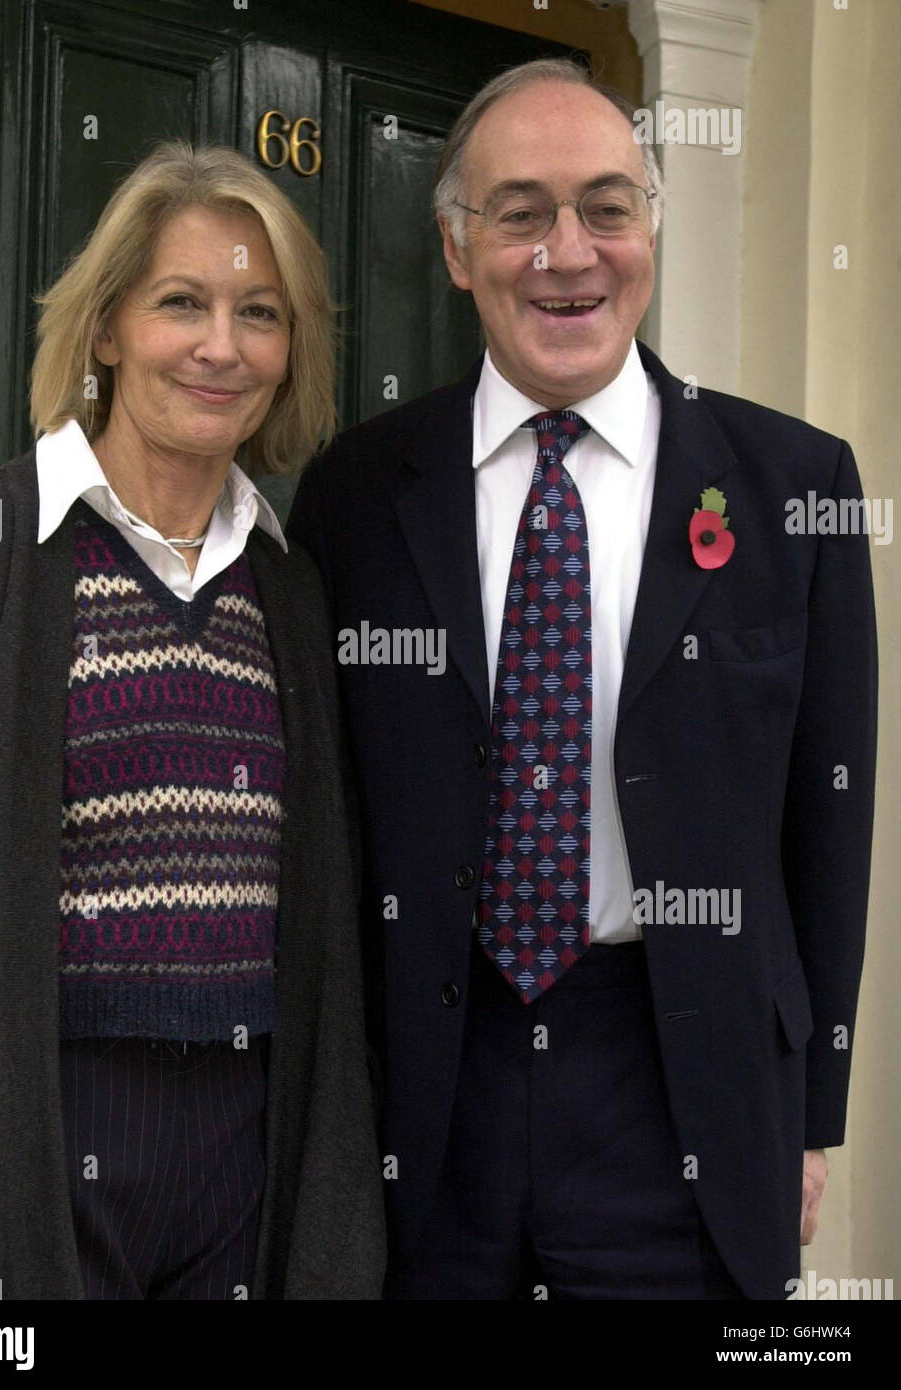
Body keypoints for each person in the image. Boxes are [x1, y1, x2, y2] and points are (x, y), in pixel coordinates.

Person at [287, 59, 877, 1300]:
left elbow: (828, 832)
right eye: (521, 213)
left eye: (607, 207)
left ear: (649, 229)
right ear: (457, 250)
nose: (569, 253)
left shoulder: (794, 485)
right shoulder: (354, 495)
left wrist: (809, 1113)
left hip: (688, 1095)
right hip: (432, 1096)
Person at [0, 141, 384, 1300]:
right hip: (30, 1136)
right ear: (107, 327)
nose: (222, 347)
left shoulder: (289, 587)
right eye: (181, 303)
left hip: (243, 1155)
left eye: (259, 313)